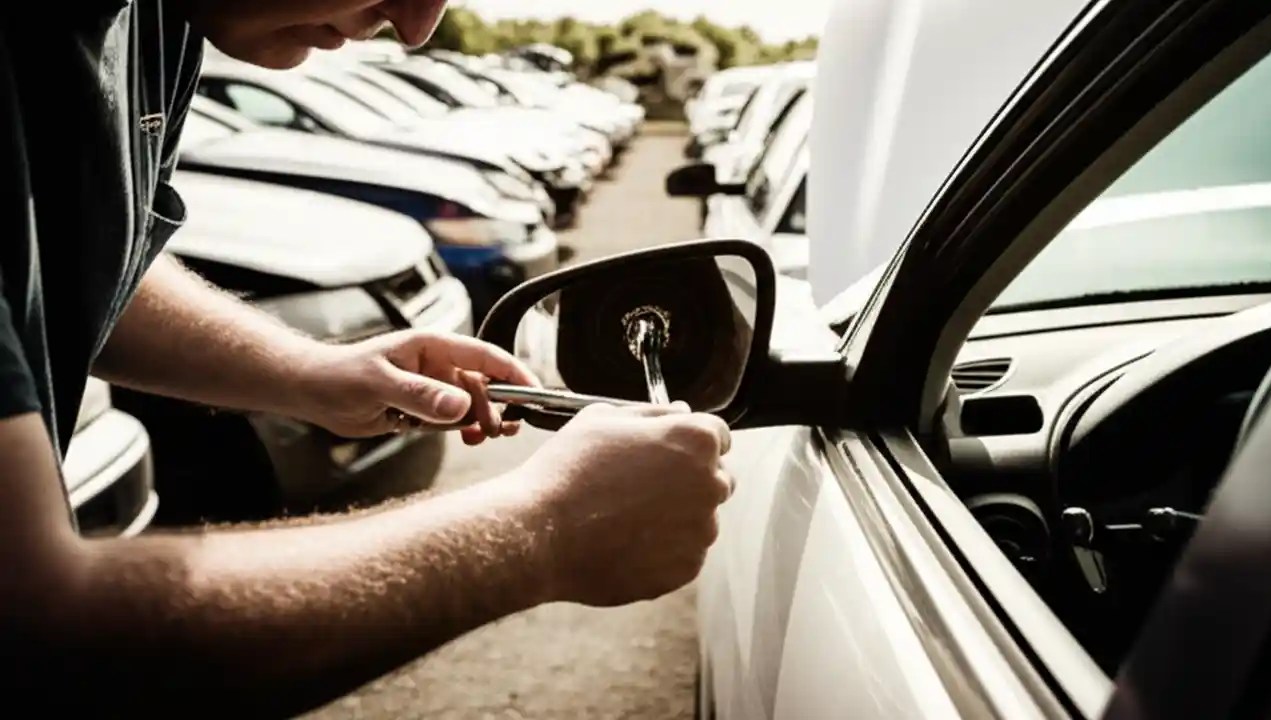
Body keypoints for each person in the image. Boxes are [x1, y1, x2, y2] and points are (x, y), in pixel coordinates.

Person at [0, 1, 734, 714]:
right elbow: (35, 628)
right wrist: (545, 529)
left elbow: (85, 264)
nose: (416, 28)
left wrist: (310, 373)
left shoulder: (161, 22)